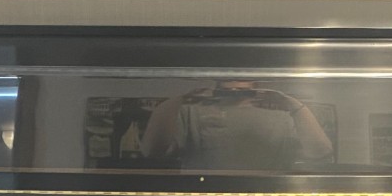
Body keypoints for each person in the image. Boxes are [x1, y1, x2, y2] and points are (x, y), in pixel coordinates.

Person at [140, 80, 333, 171]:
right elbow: (151, 152)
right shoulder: (191, 109)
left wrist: (290, 103)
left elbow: (321, 153)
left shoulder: (283, 110)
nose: (234, 88)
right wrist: (182, 99)